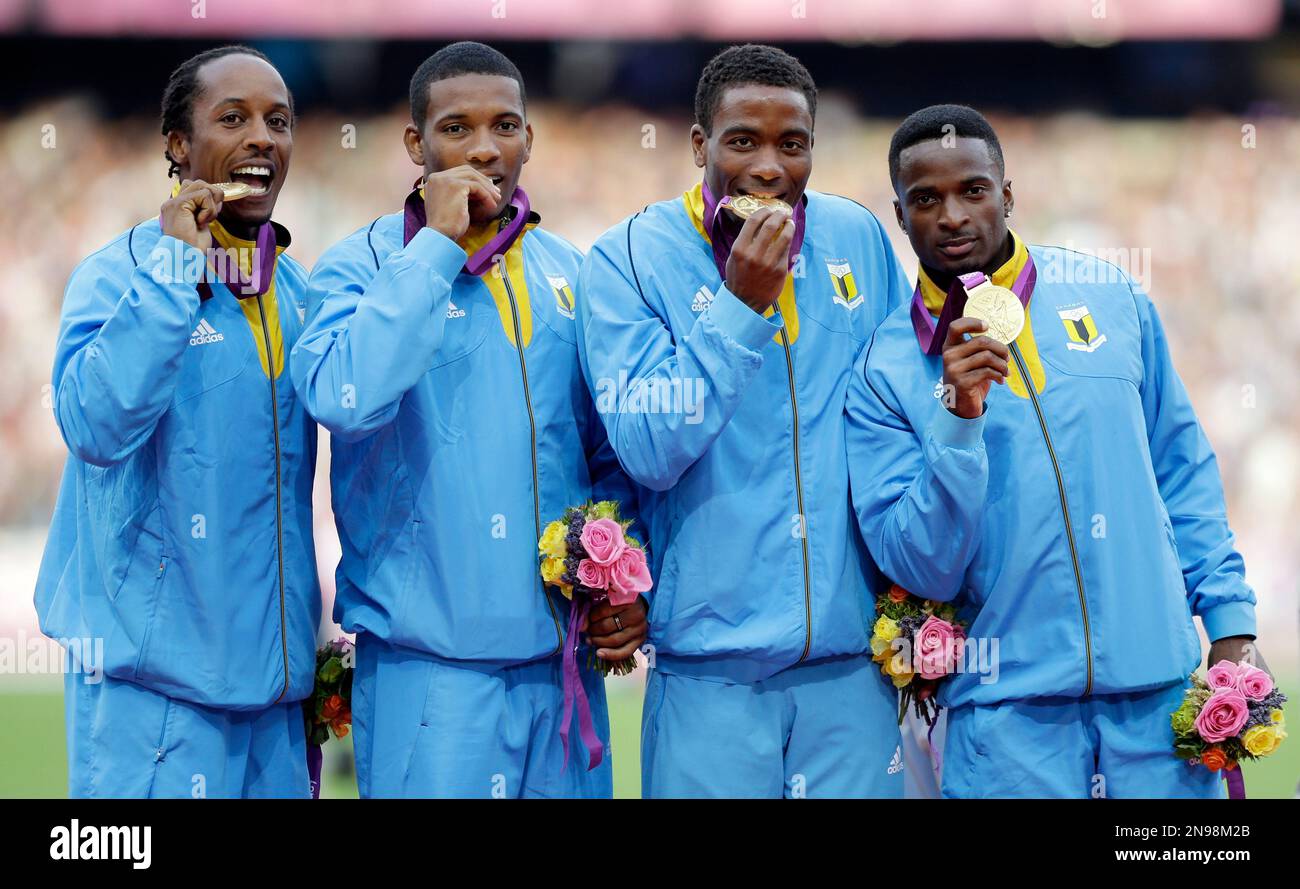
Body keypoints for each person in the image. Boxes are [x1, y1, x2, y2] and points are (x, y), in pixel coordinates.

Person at [845, 104, 1263, 798]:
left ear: (1007, 193)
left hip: (1155, 704)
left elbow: (1181, 469)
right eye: (927, 199)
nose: (952, 215)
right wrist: (955, 419)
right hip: (1005, 722)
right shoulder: (883, 369)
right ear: (899, 213)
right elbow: (919, 562)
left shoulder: (1111, 295)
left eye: (972, 190)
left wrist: (1230, 622)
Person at [290, 41, 641, 799]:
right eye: (457, 128)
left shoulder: (571, 274)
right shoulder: (362, 266)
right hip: (429, 676)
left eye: (505, 126)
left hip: (561, 672)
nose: (485, 148)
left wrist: (623, 579)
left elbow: (614, 457)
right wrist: (436, 252)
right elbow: (342, 398)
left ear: (529, 139)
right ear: (416, 143)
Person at [576, 44, 909, 798]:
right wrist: (739, 307)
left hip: (851, 675)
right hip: (707, 678)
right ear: (700, 146)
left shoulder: (856, 238)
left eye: (792, 144)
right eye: (743, 142)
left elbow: (898, 425)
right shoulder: (626, 259)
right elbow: (647, 449)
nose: (768, 167)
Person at [35, 46, 320, 798]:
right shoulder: (117, 271)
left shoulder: (298, 293)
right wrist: (171, 272)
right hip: (150, 701)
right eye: (233, 118)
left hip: (274, 705)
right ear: (178, 145)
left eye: (279, 120)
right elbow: (96, 425)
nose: (263, 137)